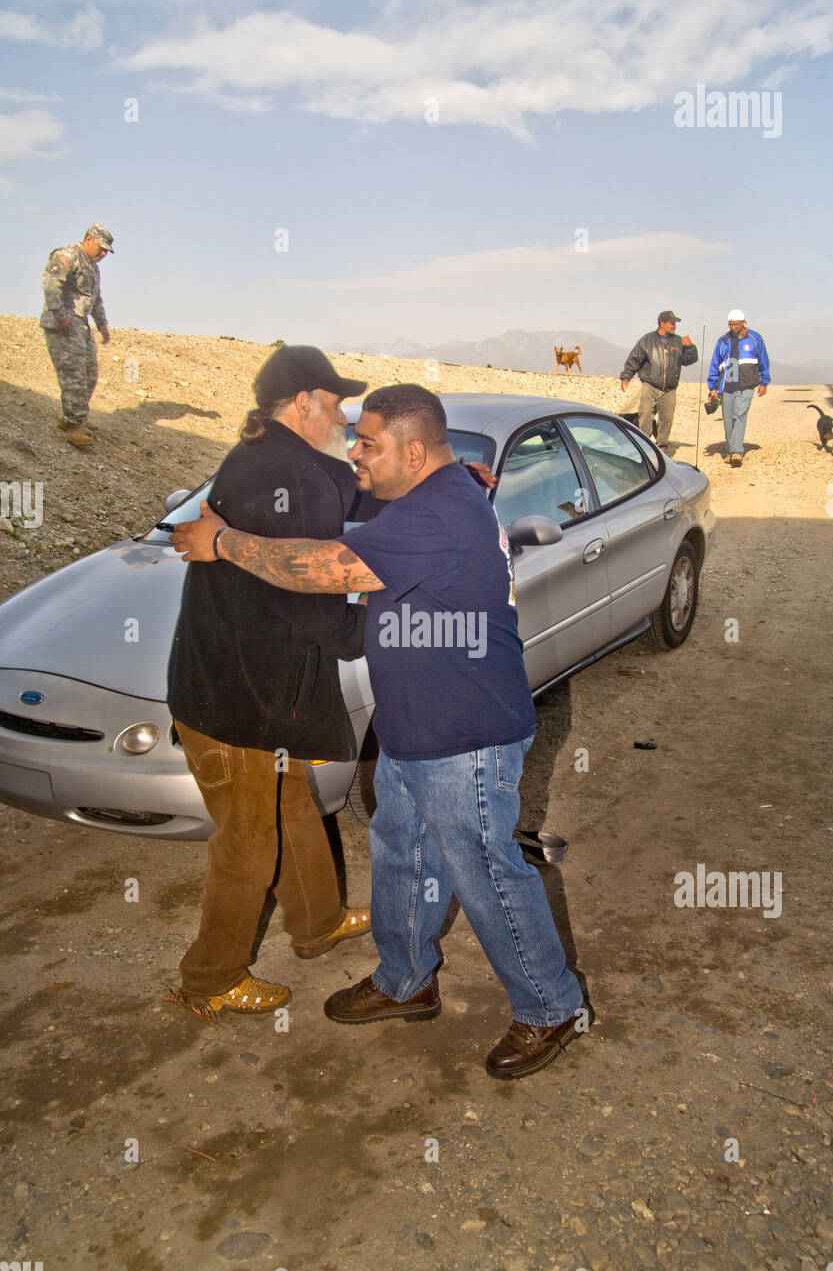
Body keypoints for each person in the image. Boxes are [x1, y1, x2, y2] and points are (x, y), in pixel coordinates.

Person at [171, 384, 589, 1079]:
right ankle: (406, 980)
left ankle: (552, 1006)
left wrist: (222, 541)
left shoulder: (439, 514)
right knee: (402, 854)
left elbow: (320, 568)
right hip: (415, 728)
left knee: (486, 874)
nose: (353, 453)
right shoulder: (435, 495)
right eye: (353, 438)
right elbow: (341, 517)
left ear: (415, 452)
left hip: (468, 739)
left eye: (367, 444)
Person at [165, 345, 374, 1024]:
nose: (344, 413)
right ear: (303, 403)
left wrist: (433, 478)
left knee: (289, 804)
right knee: (248, 839)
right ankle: (212, 977)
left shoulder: (263, 459)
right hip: (239, 703)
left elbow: (336, 495)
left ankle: (318, 923)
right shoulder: (293, 477)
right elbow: (309, 604)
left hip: (236, 685)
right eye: (336, 401)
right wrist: (370, 628)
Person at [40, 223, 114, 448]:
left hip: (80, 324)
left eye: (106, 252)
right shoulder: (67, 255)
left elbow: (95, 299)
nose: (102, 254)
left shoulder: (92, 268)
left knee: (90, 372)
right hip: (62, 322)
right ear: (89, 239)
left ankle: (71, 417)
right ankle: (74, 425)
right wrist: (58, 314)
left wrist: (102, 325)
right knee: (73, 373)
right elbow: (51, 284)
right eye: (100, 248)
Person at [619, 311, 698, 451]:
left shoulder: (678, 342)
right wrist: (626, 377)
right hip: (649, 386)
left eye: (675, 323)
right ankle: (643, 448)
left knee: (666, 420)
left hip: (669, 389)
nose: (674, 326)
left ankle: (662, 449)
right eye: (672, 323)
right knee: (645, 417)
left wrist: (690, 347)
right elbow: (634, 359)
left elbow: (689, 360)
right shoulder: (647, 340)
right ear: (662, 323)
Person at [707, 310, 770, 466]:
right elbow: (715, 364)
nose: (733, 327)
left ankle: (736, 452)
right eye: (731, 324)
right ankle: (729, 451)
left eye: (736, 324)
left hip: (746, 385)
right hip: (726, 386)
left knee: (739, 416)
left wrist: (764, 382)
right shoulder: (722, 341)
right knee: (728, 420)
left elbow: (763, 359)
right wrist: (712, 387)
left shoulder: (755, 339)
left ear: (743, 322)